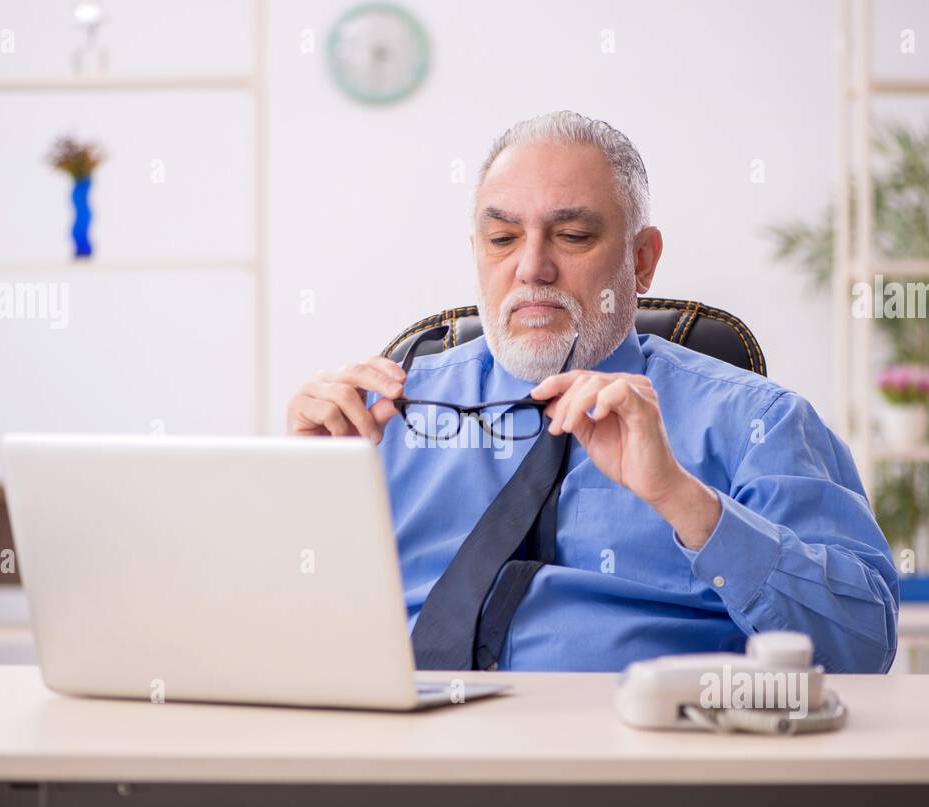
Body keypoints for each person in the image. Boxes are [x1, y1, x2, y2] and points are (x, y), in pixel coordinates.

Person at [287, 110, 897, 673]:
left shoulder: (758, 422)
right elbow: (281, 632)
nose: (531, 268)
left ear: (641, 261)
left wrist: (686, 502)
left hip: (646, 762)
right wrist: (297, 496)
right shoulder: (379, 418)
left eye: (572, 236)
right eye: (502, 239)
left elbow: (863, 646)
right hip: (397, 756)